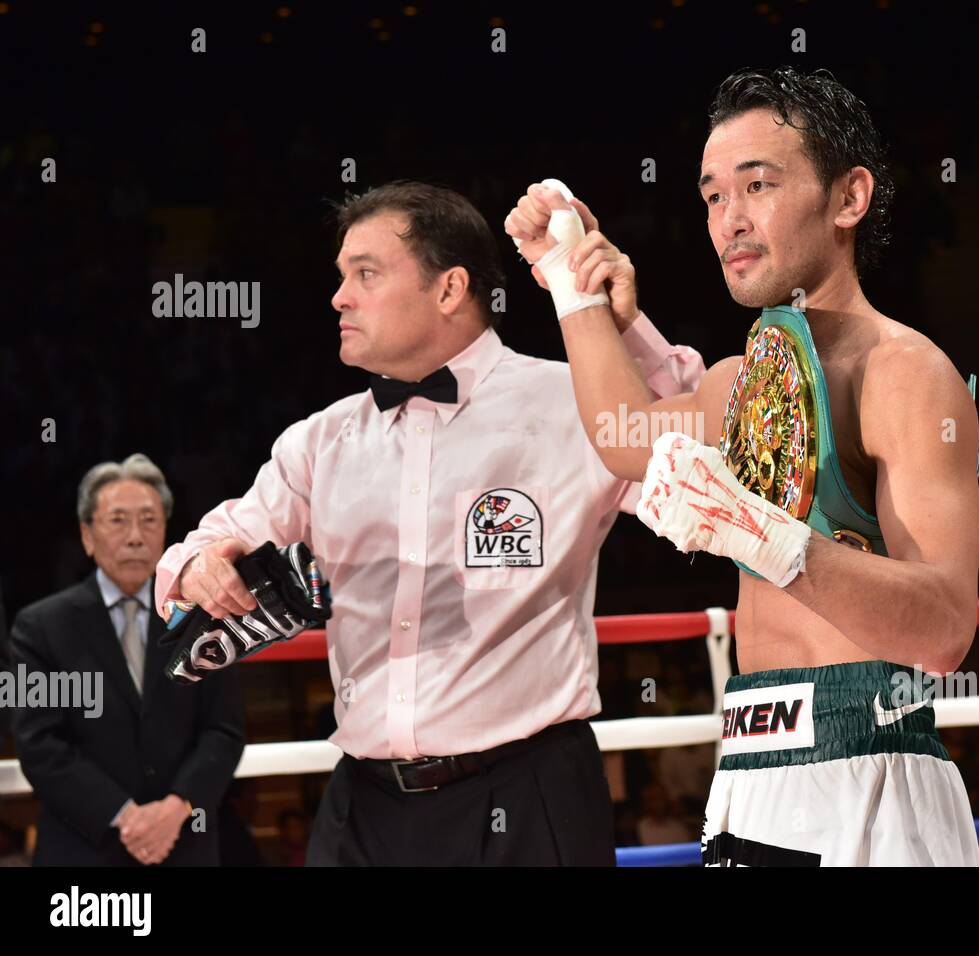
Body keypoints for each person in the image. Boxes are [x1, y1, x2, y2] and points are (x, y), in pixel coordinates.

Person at [506, 66, 979, 866]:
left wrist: (768, 537)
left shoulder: (902, 372)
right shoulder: (745, 379)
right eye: (713, 196)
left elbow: (943, 630)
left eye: (757, 185)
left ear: (848, 197)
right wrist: (570, 281)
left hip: (865, 761)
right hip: (750, 766)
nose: (730, 219)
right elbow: (625, 438)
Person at [154, 181, 704, 866]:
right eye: (340, 276)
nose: (339, 297)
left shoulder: (570, 402)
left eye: (366, 274)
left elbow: (697, 460)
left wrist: (617, 323)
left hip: (529, 793)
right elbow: (201, 549)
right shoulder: (321, 442)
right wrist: (199, 565)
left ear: (449, 290)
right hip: (364, 805)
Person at [11, 453, 244, 865]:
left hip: (184, 845)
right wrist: (127, 817)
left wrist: (174, 810)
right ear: (86, 535)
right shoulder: (39, 627)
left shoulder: (205, 617)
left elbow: (223, 730)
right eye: (118, 520)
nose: (136, 536)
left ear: (167, 532)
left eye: (149, 520)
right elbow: (39, 744)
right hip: (84, 848)